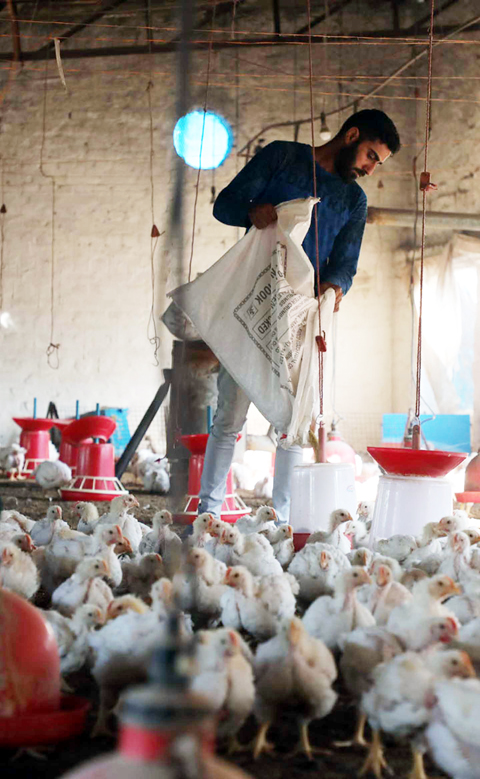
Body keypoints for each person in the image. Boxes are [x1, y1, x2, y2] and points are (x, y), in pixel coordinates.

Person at [197, 109, 402, 521]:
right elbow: (226, 205)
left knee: (294, 420)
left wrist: (334, 288)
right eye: (370, 155)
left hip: (300, 315)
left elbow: (346, 262)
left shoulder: (353, 200)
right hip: (252, 302)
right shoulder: (282, 159)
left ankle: (284, 522)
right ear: (352, 134)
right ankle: (210, 514)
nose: (369, 167)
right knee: (229, 415)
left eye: (376, 162)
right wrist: (256, 209)